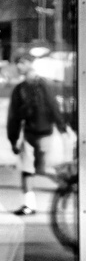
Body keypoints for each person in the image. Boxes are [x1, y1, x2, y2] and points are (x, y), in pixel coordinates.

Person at [6, 49, 67, 216]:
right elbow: (15, 116)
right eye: (17, 63)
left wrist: (62, 129)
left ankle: (70, 187)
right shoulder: (21, 89)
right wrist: (13, 139)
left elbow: (53, 107)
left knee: (44, 169)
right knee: (27, 169)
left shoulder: (42, 85)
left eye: (21, 63)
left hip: (44, 133)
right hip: (31, 134)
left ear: (29, 64)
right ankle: (29, 204)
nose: (18, 66)